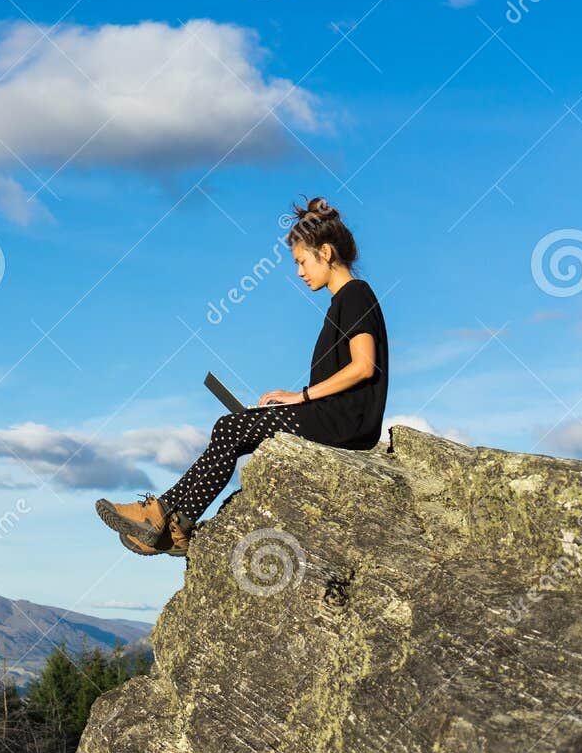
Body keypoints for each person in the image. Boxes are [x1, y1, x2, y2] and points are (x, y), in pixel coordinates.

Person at [96, 197, 389, 557]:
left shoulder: (356, 295)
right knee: (232, 426)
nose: (299, 272)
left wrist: (302, 396)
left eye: (301, 261)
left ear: (325, 252)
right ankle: (174, 525)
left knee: (231, 428)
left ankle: (163, 518)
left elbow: (363, 366)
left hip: (343, 421)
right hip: (333, 417)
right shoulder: (341, 302)